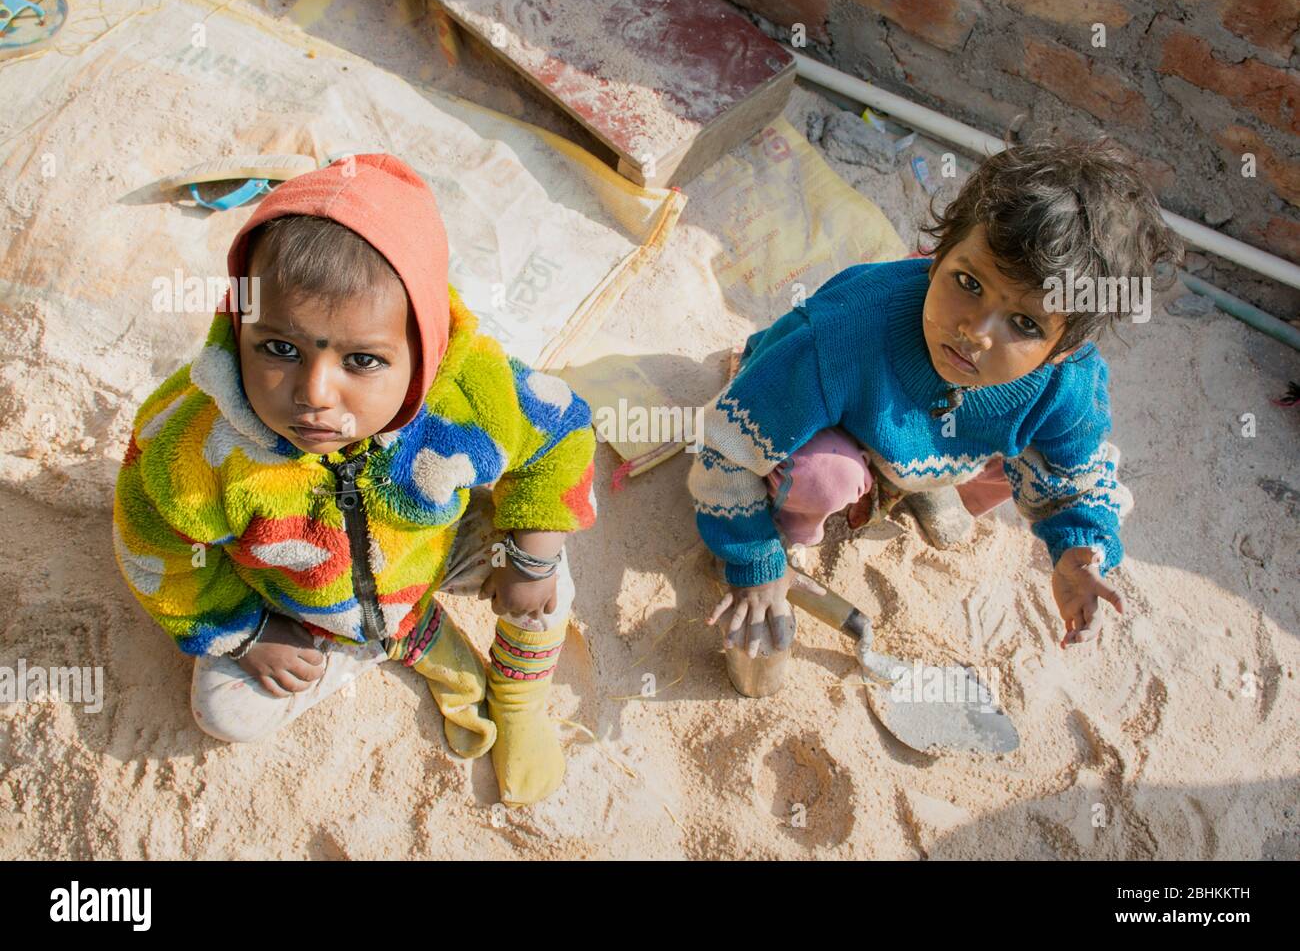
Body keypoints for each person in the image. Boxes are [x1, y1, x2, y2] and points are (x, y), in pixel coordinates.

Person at [113, 154, 596, 806]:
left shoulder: (468, 392)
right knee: (226, 713)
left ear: (422, 346)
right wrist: (246, 633)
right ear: (239, 324)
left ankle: (516, 696)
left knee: (550, 582)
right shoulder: (197, 441)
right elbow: (154, 544)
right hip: (296, 597)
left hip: (433, 550)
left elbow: (563, 430)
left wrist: (527, 557)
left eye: (362, 360)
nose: (314, 395)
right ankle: (393, 637)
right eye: (279, 349)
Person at [689, 137, 1182, 657]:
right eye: (968, 282)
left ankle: (917, 485)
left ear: (1065, 348)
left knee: (1032, 450)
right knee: (821, 478)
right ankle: (789, 532)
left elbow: (1074, 478)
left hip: (933, 442)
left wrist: (1079, 554)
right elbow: (725, 449)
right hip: (829, 426)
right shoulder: (842, 332)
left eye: (1023, 322)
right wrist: (753, 560)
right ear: (936, 255)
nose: (975, 332)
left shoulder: (1067, 381)